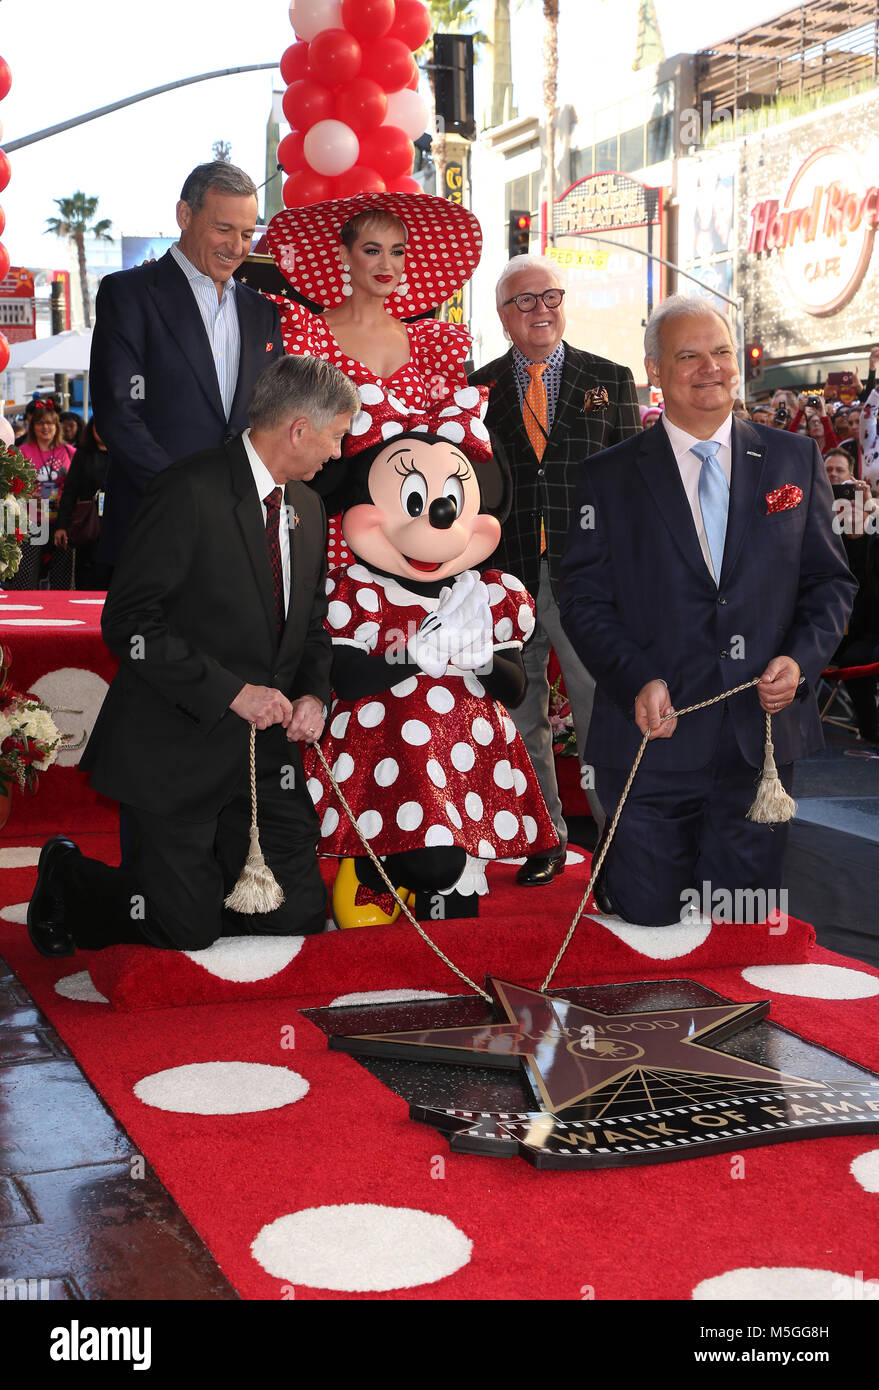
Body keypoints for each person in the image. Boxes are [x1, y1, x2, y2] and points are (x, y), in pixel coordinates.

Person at [27, 355, 359, 958]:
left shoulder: (308, 508)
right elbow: (129, 623)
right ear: (300, 430)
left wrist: (314, 695)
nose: (338, 453)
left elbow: (310, 627)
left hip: (266, 759)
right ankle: (67, 875)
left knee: (297, 920)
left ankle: (204, 879)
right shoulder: (189, 488)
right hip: (174, 747)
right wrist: (232, 693)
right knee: (183, 930)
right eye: (337, 436)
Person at [559, 294, 856, 927]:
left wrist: (799, 664)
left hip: (762, 746)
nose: (710, 368)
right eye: (688, 356)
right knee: (647, 932)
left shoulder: (793, 459)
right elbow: (583, 599)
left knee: (740, 934)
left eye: (720, 352)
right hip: (650, 742)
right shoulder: (605, 478)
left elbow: (830, 583)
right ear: (655, 372)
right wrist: (635, 677)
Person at [469, 254, 642, 885]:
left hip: (589, 575)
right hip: (505, 571)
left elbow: (632, 485)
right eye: (525, 300)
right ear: (503, 315)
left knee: (601, 705)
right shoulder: (477, 389)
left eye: (551, 297)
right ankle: (544, 836)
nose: (541, 309)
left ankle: (621, 835)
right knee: (520, 711)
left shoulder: (609, 379)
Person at [90, 162, 285, 567]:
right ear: (184, 215)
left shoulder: (262, 312)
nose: (236, 246)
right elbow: (118, 414)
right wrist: (187, 496)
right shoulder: (129, 295)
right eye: (223, 229)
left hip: (241, 535)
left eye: (247, 233)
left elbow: (272, 415)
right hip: (154, 527)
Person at [6, 399, 75, 589]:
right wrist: (26, 493)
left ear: (56, 426)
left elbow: (76, 485)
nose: (45, 427)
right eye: (40, 423)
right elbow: (8, 485)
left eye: (50, 423)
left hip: (61, 520)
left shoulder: (69, 452)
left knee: (62, 576)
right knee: (26, 576)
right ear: (32, 426)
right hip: (31, 519)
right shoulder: (21, 452)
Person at [54, 419, 112, 590]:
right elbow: (70, 491)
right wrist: (61, 526)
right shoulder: (83, 455)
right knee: (88, 575)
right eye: (97, 426)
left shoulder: (122, 454)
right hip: (88, 524)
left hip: (115, 522)